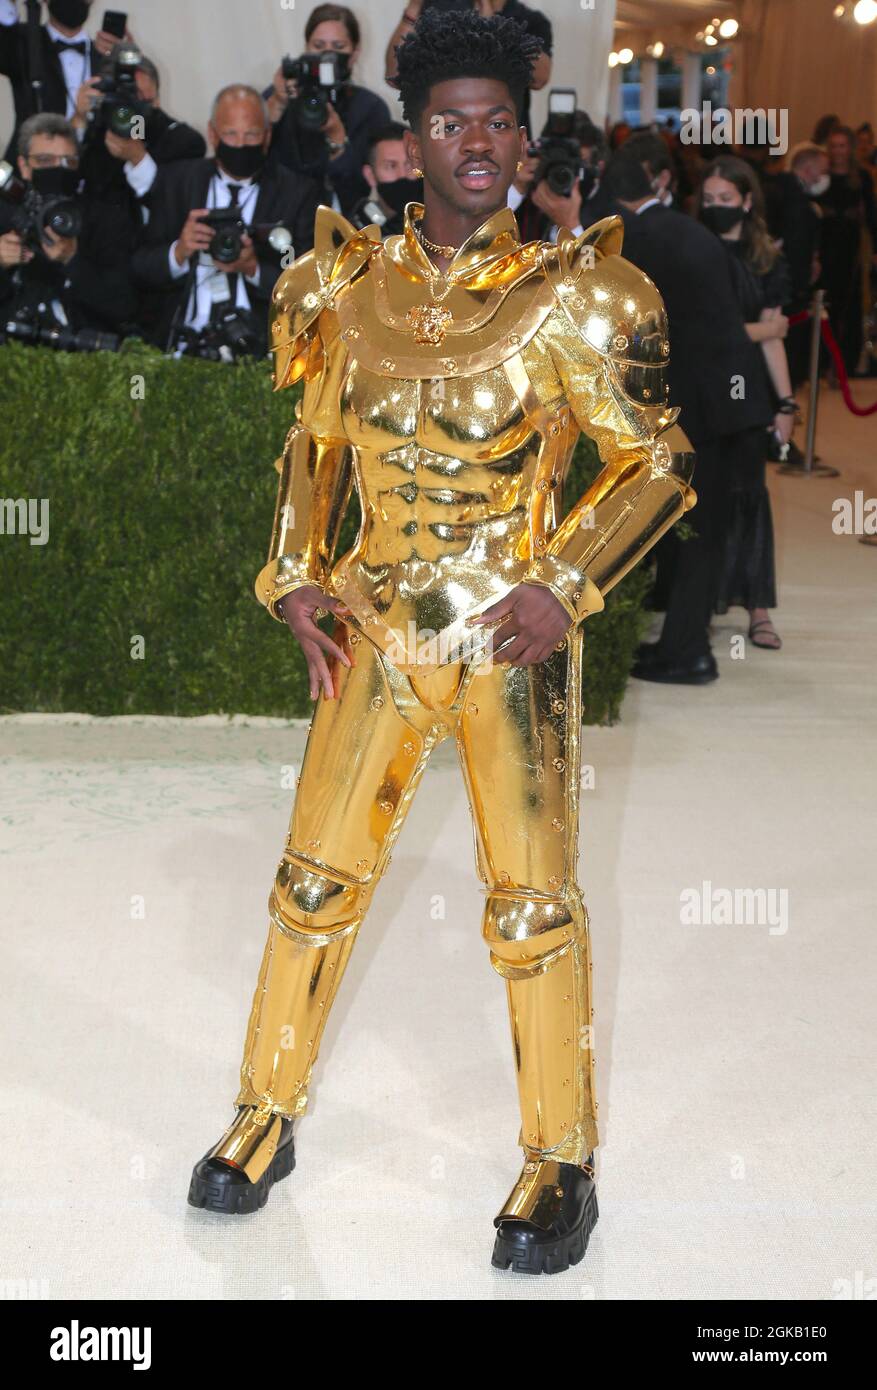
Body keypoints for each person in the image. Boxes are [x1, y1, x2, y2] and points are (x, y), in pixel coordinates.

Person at [187, 7, 696, 1275]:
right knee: (311, 884)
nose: (476, 141)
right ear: (407, 140)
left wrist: (563, 584)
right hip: (371, 636)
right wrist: (296, 573)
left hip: (505, 643)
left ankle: (558, 1156)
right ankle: (263, 1112)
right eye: (448, 121)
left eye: (498, 123)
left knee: (529, 907)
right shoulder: (342, 288)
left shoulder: (582, 295)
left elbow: (658, 461)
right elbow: (316, 442)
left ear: (525, 144)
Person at [602, 149, 775, 684]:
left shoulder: (644, 238)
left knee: (698, 531)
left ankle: (687, 653)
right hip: (731, 403)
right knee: (702, 528)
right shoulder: (683, 230)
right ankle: (684, 643)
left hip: (707, 409)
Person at [131, 84, 320, 357]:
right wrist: (180, 252)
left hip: (261, 346)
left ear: (267, 136)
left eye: (251, 134)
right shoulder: (177, 182)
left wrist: (254, 269)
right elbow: (140, 267)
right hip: (182, 341)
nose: (241, 144)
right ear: (212, 133)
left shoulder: (298, 192)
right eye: (230, 134)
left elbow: (310, 286)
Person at [698, 155, 793, 651]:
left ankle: (758, 608)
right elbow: (705, 334)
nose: (717, 208)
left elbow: (776, 341)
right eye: (709, 200)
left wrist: (787, 403)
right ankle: (703, 602)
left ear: (748, 201)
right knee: (706, 497)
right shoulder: (694, 253)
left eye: (726, 200)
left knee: (751, 496)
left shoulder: (767, 259)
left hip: (750, 389)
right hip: (705, 387)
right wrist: (758, 329)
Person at [0, 110, 137, 337]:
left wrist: (73, 261)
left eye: (68, 161)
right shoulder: (5, 215)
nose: (58, 168)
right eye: (45, 160)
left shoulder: (106, 219)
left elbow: (124, 306)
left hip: (80, 353)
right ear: (23, 166)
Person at [266, 4, 391, 218]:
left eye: (338, 46)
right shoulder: (280, 95)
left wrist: (337, 140)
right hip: (283, 220)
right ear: (306, 48)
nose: (328, 55)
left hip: (348, 222)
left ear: (354, 53)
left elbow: (370, 183)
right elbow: (253, 160)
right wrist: (277, 102)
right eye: (319, 45)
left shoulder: (371, 108)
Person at [72, 47, 206, 222]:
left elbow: (176, 207)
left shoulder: (184, 142)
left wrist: (138, 159)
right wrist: (79, 120)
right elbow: (68, 183)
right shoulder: (96, 135)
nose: (133, 110)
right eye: (125, 98)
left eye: (142, 101)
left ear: (156, 99)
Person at [386, 0, 552, 139]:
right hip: (443, 132)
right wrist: (415, 6)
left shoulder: (529, 20)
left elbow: (540, 77)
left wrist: (490, 21)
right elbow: (395, 73)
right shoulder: (439, 9)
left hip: (502, 134)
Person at [0, 0, 124, 160]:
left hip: (93, 177)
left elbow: (136, 125)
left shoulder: (110, 58)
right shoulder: (24, 44)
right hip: (32, 173)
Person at [815, 125, 877, 374]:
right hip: (824, 247)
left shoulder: (861, 177)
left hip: (850, 250)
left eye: (842, 145)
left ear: (849, 148)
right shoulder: (820, 174)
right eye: (834, 146)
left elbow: (872, 215)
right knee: (824, 305)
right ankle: (820, 363)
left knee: (849, 306)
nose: (838, 151)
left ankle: (845, 365)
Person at [768, 142, 829, 388]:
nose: (824, 177)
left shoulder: (787, 191)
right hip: (788, 281)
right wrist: (800, 279)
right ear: (808, 167)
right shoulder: (793, 196)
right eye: (821, 170)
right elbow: (794, 243)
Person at [347, 120, 423, 236]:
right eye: (391, 166)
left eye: (409, 164)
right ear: (370, 176)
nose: (402, 174)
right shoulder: (355, 236)